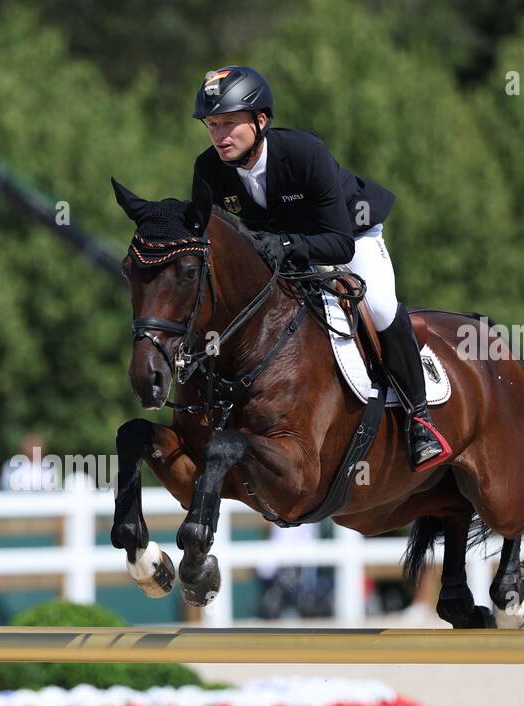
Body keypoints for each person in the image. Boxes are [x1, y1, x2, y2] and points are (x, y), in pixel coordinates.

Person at [190, 66, 450, 472]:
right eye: (212, 124)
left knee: (380, 306)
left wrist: (288, 245)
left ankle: (420, 421)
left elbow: (340, 242)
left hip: (347, 234)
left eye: (229, 123)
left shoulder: (304, 153)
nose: (219, 134)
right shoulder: (208, 170)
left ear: (260, 121)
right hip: (277, 254)